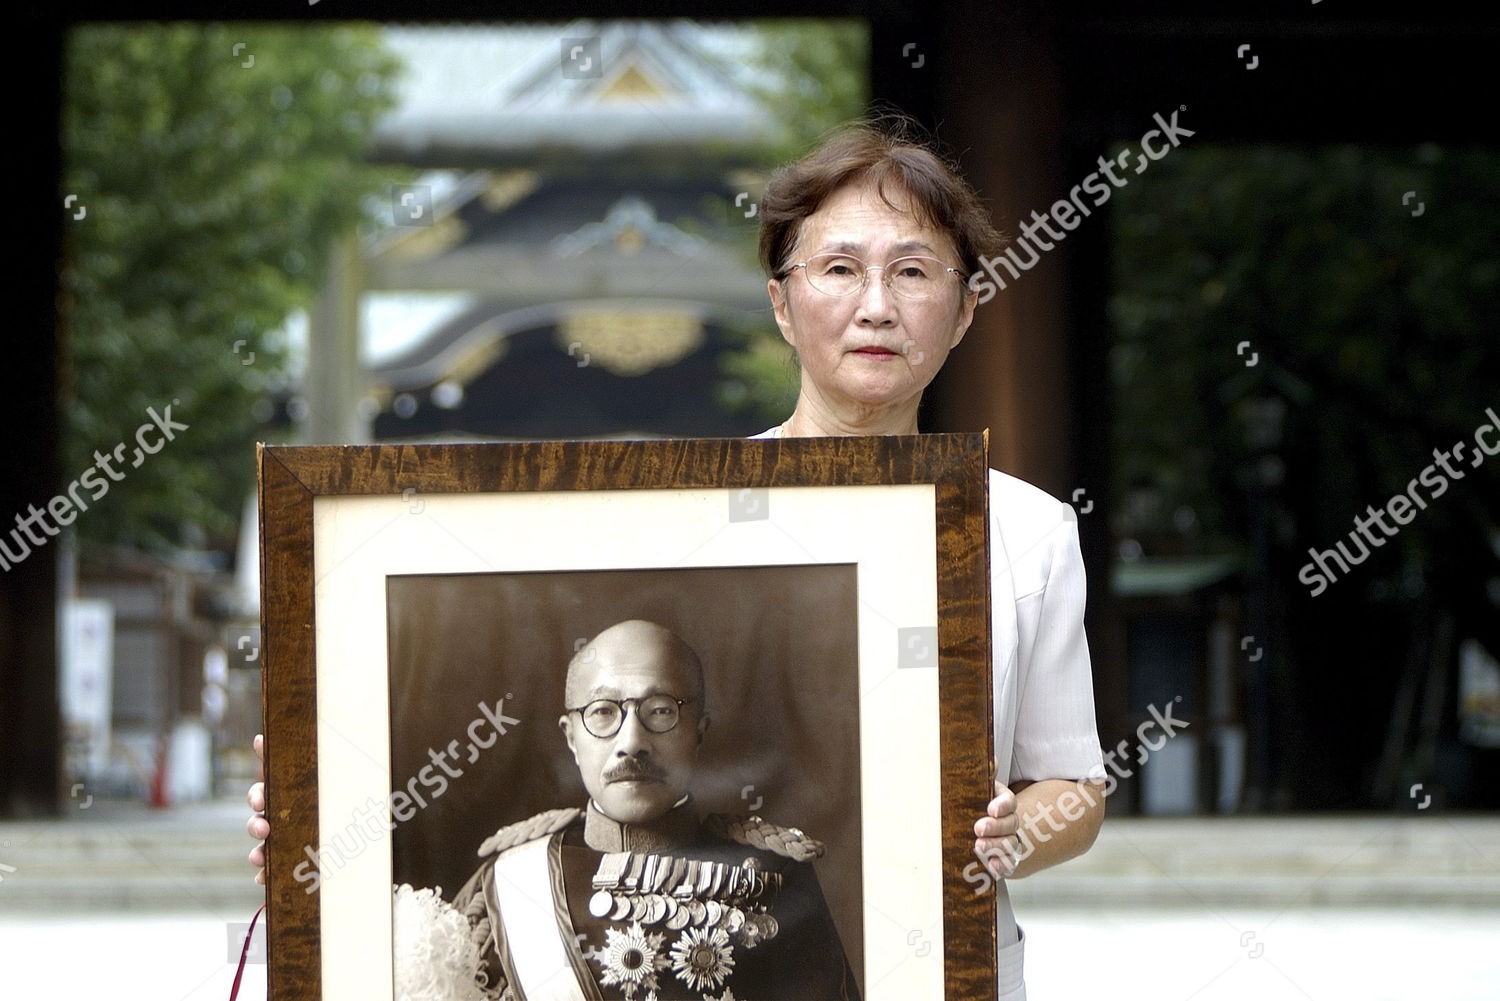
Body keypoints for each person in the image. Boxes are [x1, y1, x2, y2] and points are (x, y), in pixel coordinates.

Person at [250, 113, 1105, 1000]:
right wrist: (318, 798)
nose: (877, 305)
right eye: (840, 269)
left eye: (915, 272)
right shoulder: (691, 521)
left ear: (966, 308)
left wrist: (1013, 833)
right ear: (781, 301)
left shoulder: (1026, 532)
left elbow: (1074, 785)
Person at [447, 618, 859, 1000]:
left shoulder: (774, 879)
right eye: (603, 712)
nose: (631, 742)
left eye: (661, 711)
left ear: (699, 732)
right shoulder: (507, 882)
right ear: (571, 738)